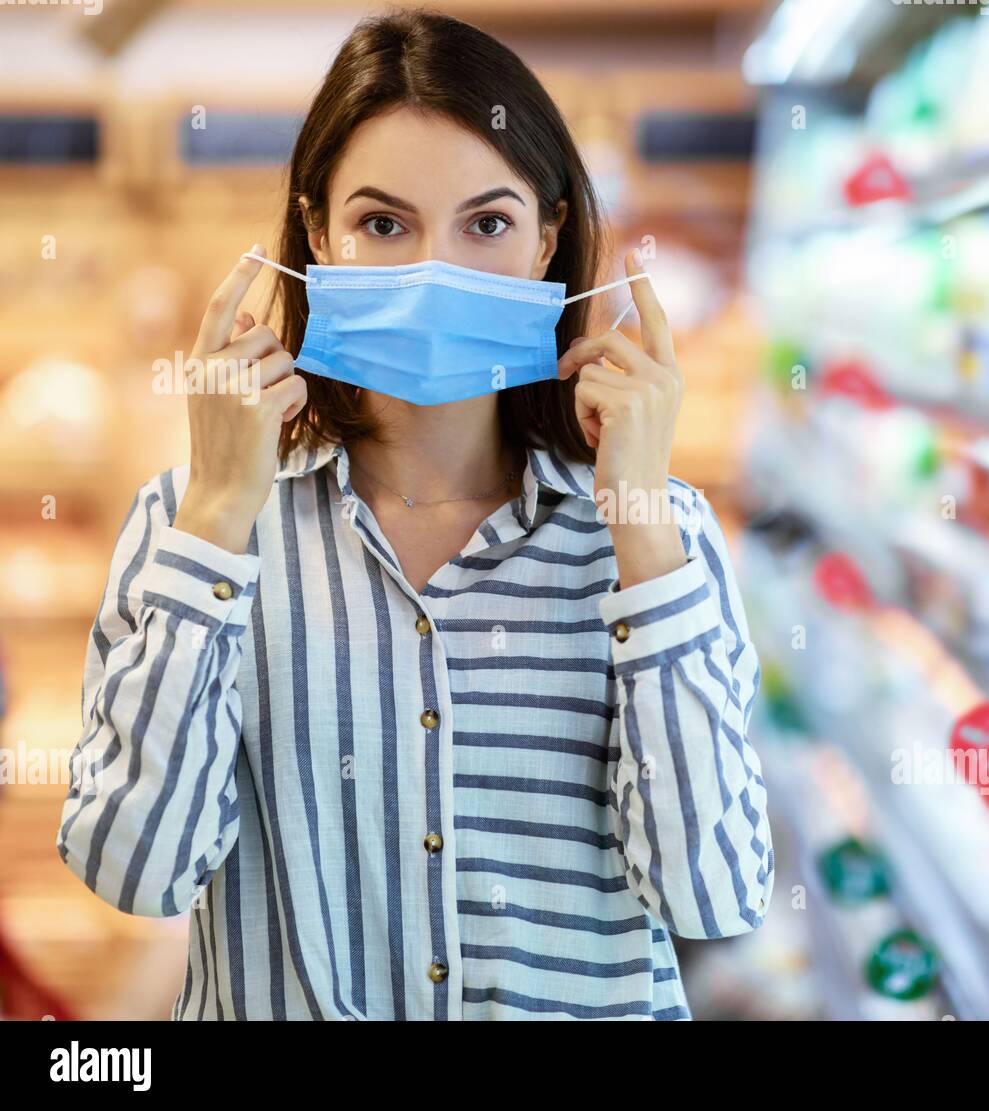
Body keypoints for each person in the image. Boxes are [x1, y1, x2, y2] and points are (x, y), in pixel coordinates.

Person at [57, 9, 772, 1021]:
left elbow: (714, 892)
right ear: (317, 236)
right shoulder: (190, 523)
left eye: (486, 223)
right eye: (383, 224)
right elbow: (137, 873)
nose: (433, 269)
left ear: (547, 241)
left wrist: (639, 525)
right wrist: (219, 512)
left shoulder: (658, 531)